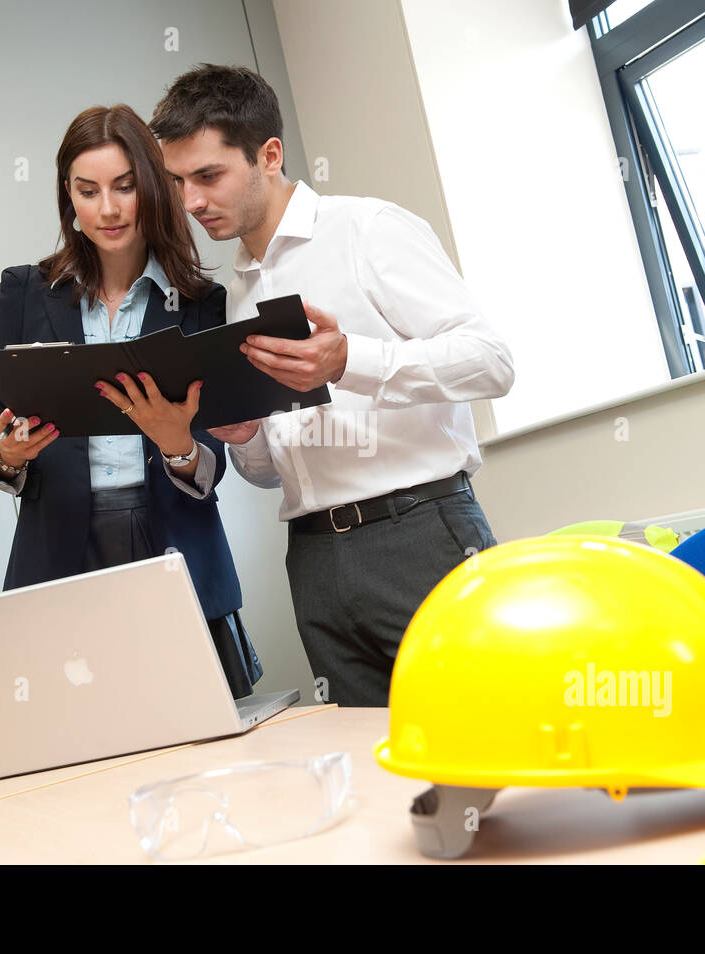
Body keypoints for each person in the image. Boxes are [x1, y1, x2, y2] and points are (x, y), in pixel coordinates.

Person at [151, 65, 514, 707]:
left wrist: (350, 361)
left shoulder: (367, 230)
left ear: (269, 155)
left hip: (419, 533)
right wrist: (245, 438)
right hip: (314, 559)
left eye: (208, 176)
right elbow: (269, 474)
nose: (191, 201)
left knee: (490, 739)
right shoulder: (237, 291)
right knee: (374, 779)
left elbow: (490, 362)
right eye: (178, 181)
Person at [0, 104, 262, 698]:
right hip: (59, 547)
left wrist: (178, 444)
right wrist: (11, 451)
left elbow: (210, 472)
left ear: (153, 189)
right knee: (76, 745)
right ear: (69, 198)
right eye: (88, 191)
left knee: (196, 732)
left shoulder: (203, 304)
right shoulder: (24, 294)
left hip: (175, 543)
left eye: (124, 187)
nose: (107, 209)